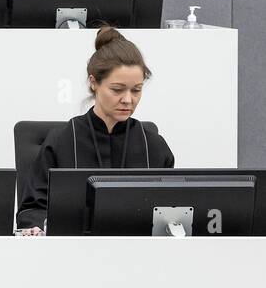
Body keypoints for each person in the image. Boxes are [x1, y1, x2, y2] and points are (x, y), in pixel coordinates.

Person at [17, 27, 174, 234]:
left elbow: (170, 211)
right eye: (117, 90)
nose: (128, 99)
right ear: (93, 83)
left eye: (136, 90)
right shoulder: (60, 141)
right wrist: (36, 226)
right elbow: (32, 210)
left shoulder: (154, 146)